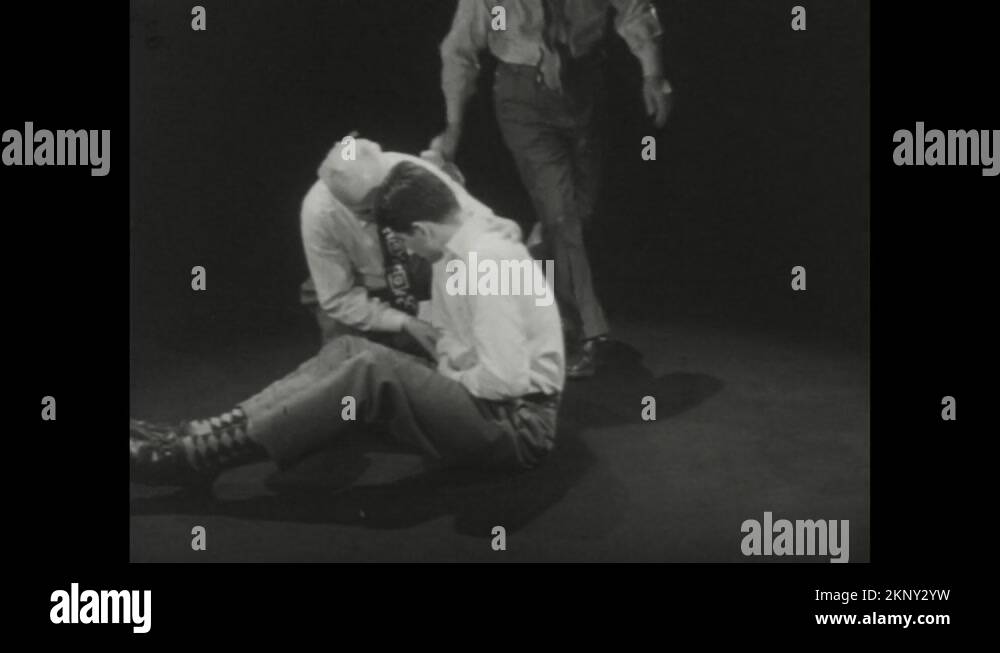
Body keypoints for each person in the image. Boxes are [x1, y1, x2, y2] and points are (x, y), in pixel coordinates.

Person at [130, 162, 564, 487]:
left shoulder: (487, 261)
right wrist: (451, 357)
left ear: (422, 230)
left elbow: (504, 380)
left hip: (519, 425)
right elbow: (458, 343)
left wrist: (452, 370)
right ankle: (205, 432)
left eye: (407, 241)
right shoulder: (455, 254)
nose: (407, 252)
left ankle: (198, 457)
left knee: (372, 368)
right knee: (348, 350)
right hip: (487, 399)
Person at [430, 0, 673, 378]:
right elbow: (460, 50)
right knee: (562, 214)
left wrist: (653, 74)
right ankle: (588, 334)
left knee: (574, 213)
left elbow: (633, 9)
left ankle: (522, 300)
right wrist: (454, 126)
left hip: (585, 87)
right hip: (522, 96)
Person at [299, 136, 482, 355]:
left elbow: (471, 219)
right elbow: (337, 296)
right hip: (361, 284)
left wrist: (494, 228)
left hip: (420, 263)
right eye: (365, 213)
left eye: (382, 204)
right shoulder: (319, 214)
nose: (381, 218)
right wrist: (405, 322)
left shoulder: (413, 173)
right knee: (348, 362)